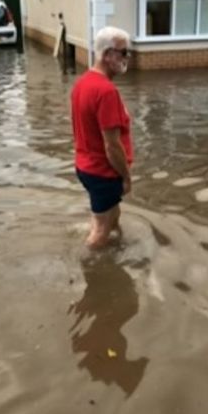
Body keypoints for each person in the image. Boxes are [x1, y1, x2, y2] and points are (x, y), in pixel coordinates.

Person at [71, 26, 134, 249]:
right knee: (100, 230)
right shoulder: (106, 92)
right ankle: (90, 266)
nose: (127, 58)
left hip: (85, 166)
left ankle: (117, 246)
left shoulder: (83, 83)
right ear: (107, 55)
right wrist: (126, 177)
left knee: (111, 214)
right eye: (123, 52)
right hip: (103, 172)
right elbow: (112, 146)